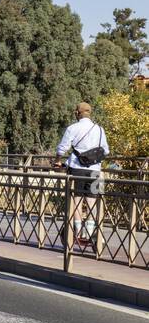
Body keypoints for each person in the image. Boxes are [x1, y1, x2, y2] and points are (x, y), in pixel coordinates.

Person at [55, 102, 109, 248]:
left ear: (77, 113)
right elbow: (106, 150)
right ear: (89, 113)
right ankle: (90, 232)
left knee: (77, 200)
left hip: (77, 169)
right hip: (95, 170)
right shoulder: (99, 129)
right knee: (92, 201)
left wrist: (58, 161)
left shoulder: (73, 128)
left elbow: (62, 148)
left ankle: (77, 232)